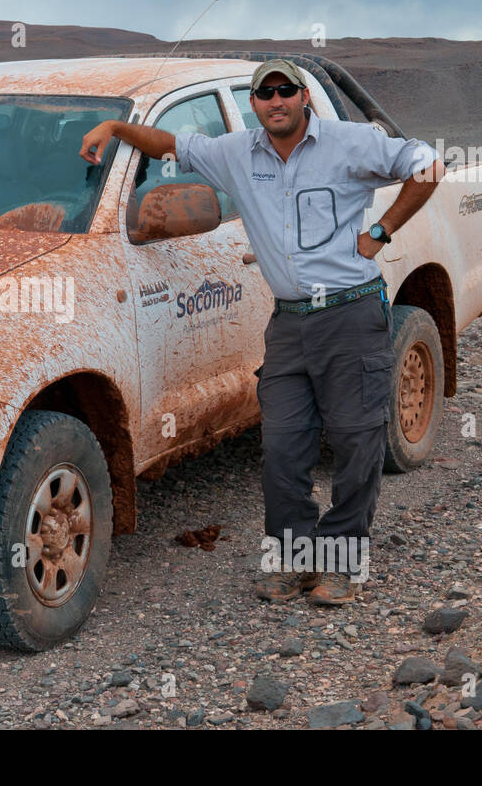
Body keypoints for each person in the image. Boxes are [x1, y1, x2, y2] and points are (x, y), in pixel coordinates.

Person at [79, 59, 444, 605]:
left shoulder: (351, 142)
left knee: (356, 442)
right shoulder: (236, 153)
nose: (276, 100)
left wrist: (380, 230)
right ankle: (295, 559)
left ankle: (340, 563)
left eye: (286, 90)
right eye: (266, 93)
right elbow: (170, 144)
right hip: (290, 323)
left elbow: (428, 165)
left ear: (303, 97)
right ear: (254, 104)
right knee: (282, 449)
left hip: (351, 314)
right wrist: (114, 127)